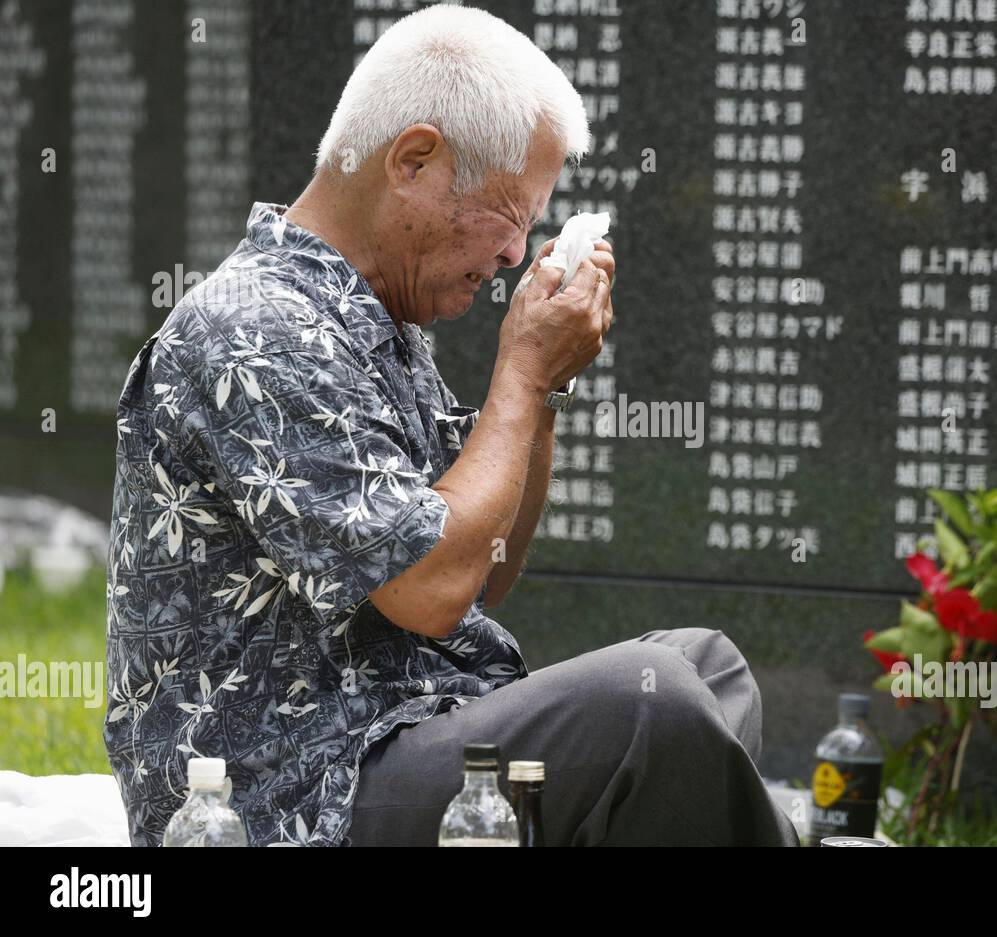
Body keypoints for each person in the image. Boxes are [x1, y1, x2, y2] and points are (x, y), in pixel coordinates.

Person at [104, 3, 797, 847]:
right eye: (511, 212)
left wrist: (543, 393)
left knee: (704, 664)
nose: (516, 254)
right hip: (289, 793)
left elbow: (484, 569)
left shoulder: (377, 318)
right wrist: (521, 372)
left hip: (413, 729)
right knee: (653, 700)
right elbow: (430, 590)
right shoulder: (252, 328)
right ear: (415, 160)